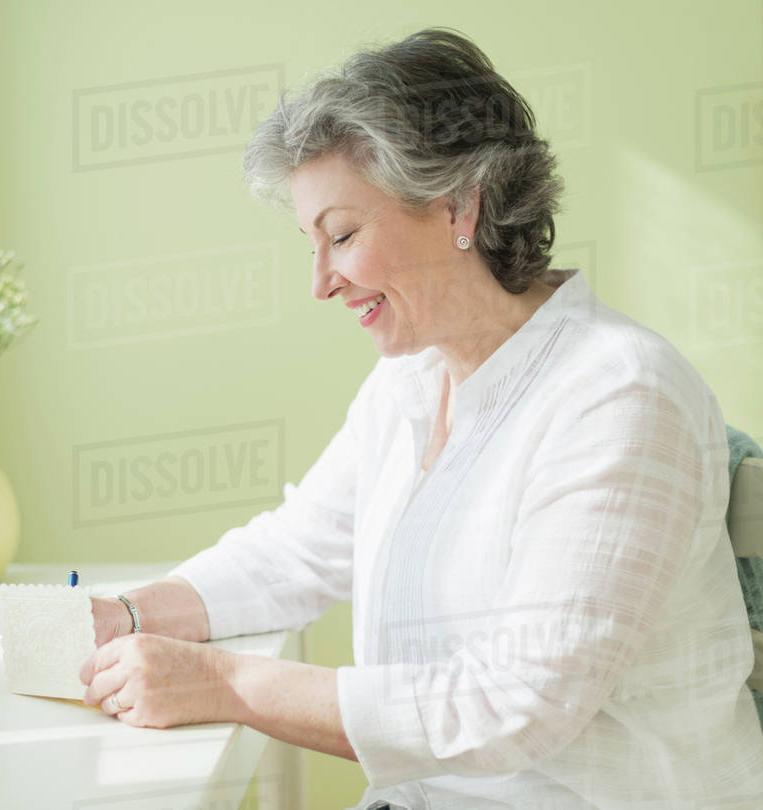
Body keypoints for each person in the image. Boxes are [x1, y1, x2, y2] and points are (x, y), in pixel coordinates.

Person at [78, 27, 763, 808]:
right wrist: (126, 613)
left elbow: (510, 707)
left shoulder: (618, 394)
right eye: (313, 243)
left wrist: (226, 682)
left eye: (341, 235)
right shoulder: (410, 379)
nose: (320, 282)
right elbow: (295, 552)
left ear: (457, 207)